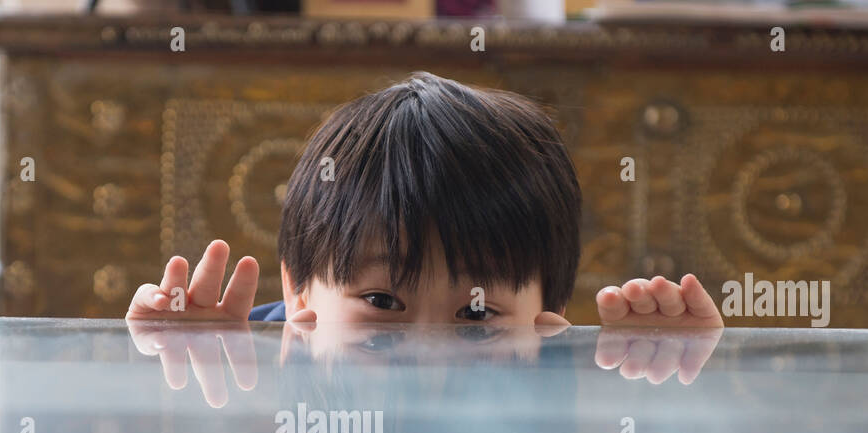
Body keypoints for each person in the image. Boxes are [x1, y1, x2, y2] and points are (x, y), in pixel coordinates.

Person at [127, 71, 723, 395]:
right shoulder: (260, 363)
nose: (427, 361)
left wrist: (678, 365)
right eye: (382, 301)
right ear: (299, 294)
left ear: (551, 316)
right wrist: (182, 354)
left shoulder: (548, 376)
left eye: (476, 316)